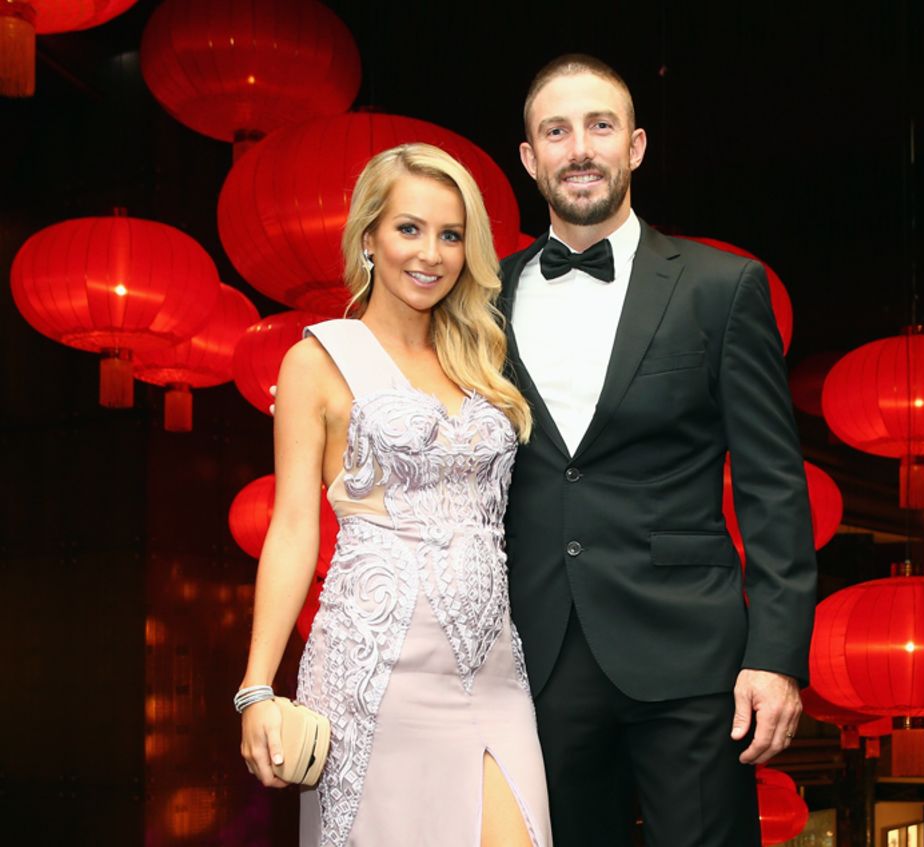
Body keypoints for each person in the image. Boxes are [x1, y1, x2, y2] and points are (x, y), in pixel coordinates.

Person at [500, 55, 819, 846]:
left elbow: (773, 486)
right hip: (533, 651)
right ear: (530, 158)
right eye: (557, 131)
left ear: (635, 146)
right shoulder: (479, 298)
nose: (580, 148)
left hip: (692, 656)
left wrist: (777, 656)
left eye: (600, 126)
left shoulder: (722, 286)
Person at [237, 143, 552, 847]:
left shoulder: (483, 356)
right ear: (370, 236)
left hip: (494, 670)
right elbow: (292, 528)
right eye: (409, 228)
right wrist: (258, 685)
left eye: (450, 234)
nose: (431, 253)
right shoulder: (317, 359)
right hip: (375, 669)